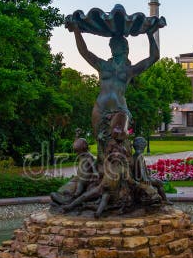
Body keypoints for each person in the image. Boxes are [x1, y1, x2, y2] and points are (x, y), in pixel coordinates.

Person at [69, 22, 160, 158]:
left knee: (118, 133)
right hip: (99, 109)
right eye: (112, 45)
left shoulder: (129, 70)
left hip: (119, 109)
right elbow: (84, 52)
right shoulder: (103, 65)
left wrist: (150, 35)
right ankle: (100, 174)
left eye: (118, 44)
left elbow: (154, 57)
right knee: (101, 143)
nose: (114, 47)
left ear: (126, 47)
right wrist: (77, 31)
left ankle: (123, 170)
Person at [50, 138, 97, 206]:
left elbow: (93, 165)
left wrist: (95, 172)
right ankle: (64, 195)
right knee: (68, 185)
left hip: (84, 179)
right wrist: (77, 135)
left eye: (78, 151)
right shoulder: (81, 155)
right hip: (79, 177)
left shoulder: (88, 156)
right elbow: (76, 143)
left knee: (78, 191)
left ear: (83, 149)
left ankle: (71, 200)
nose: (77, 153)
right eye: (76, 151)